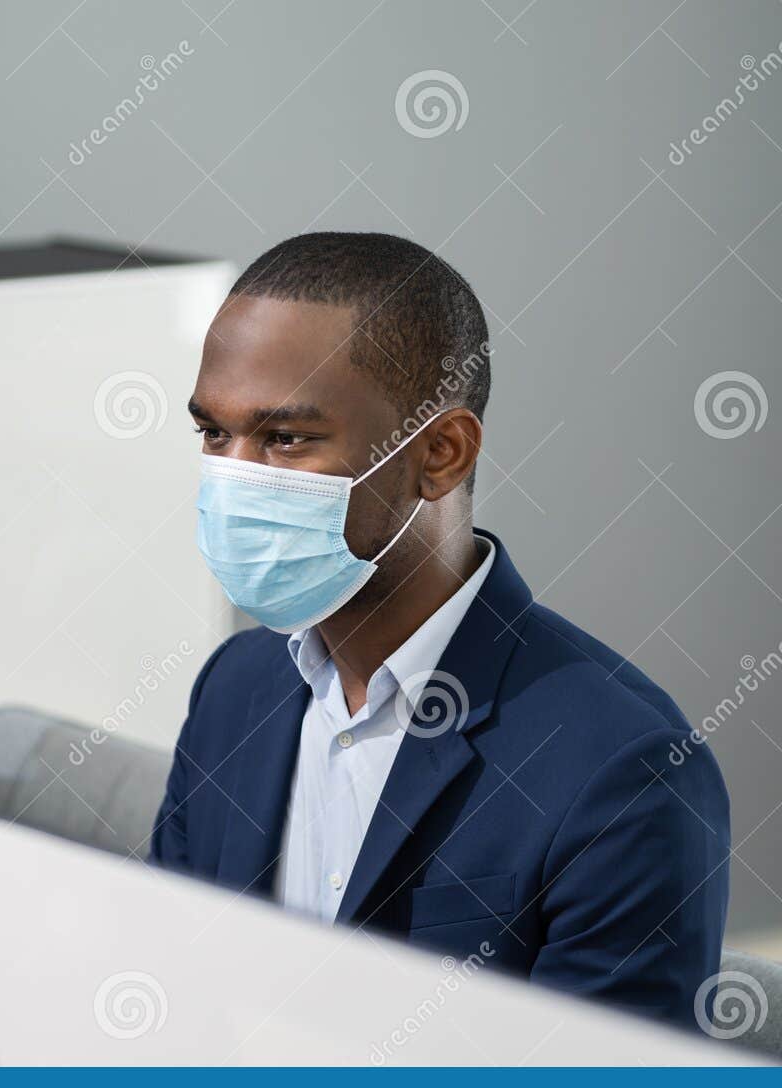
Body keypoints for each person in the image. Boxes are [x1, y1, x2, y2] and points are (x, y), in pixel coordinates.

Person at [155, 231, 729, 1027]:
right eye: (214, 434)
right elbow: (171, 998)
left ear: (442, 453)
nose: (234, 476)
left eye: (285, 438)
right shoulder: (235, 689)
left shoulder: (625, 772)